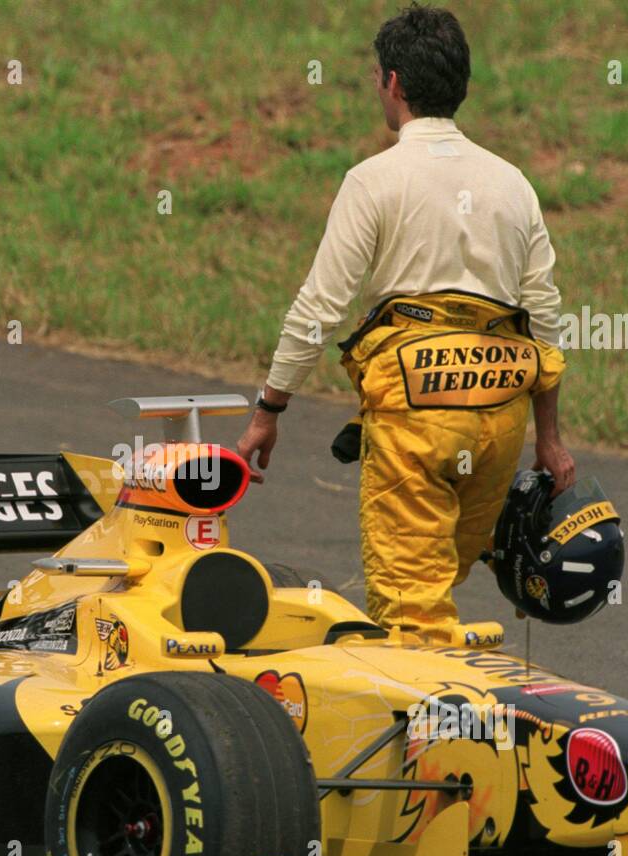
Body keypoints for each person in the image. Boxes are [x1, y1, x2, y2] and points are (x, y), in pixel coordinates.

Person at [236, 3, 576, 646]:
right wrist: (548, 439)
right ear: (463, 84)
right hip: (500, 422)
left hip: (416, 418)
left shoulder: (373, 181)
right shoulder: (513, 184)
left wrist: (269, 408)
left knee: (411, 621)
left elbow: (321, 307)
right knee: (437, 588)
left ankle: (440, 732)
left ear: (392, 83)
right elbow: (545, 323)